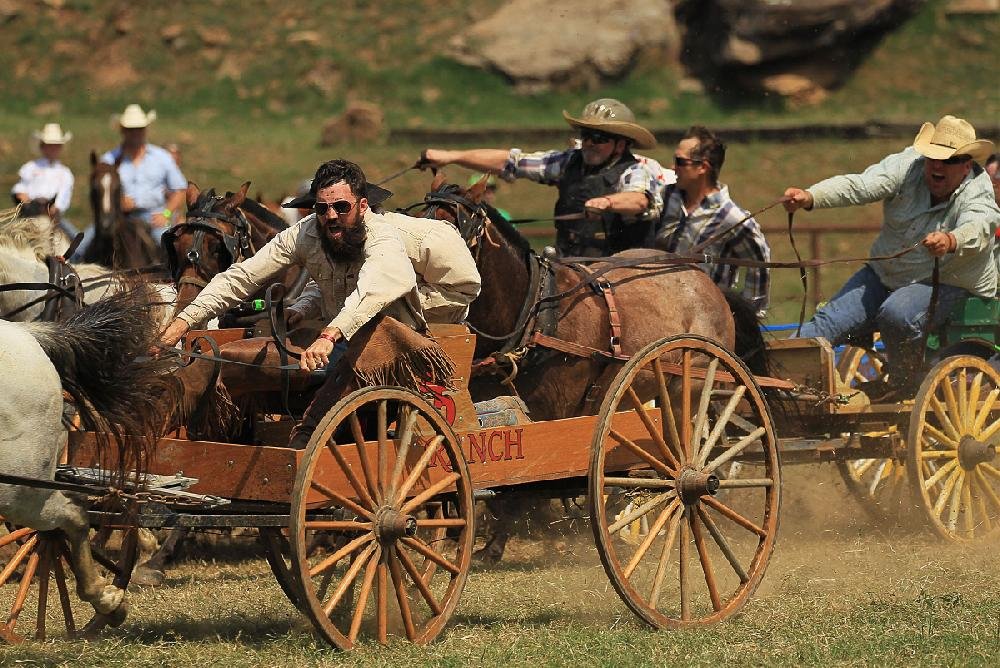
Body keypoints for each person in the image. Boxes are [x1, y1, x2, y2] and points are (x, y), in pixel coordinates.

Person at [157, 159, 480, 447]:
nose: (331, 216)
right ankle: (158, 427)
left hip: (419, 317)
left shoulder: (384, 238)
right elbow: (242, 277)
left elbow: (373, 289)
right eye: (322, 208)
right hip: (351, 321)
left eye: (341, 207)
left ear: (363, 205)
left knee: (373, 333)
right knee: (235, 354)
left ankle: (307, 437)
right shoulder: (306, 234)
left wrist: (329, 335)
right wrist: (182, 322)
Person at [783, 115, 999, 396]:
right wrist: (811, 196)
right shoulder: (907, 165)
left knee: (897, 313)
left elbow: (980, 226)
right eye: (933, 157)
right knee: (824, 326)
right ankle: (772, 389)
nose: (936, 165)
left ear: (966, 165)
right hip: (885, 277)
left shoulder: (978, 190)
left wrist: (950, 239)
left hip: (951, 283)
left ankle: (907, 384)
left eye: (947, 160)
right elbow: (860, 185)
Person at [420, 98, 670, 257]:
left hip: (621, 267)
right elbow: (510, 162)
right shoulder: (568, 162)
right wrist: (450, 156)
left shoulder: (637, 169)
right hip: (571, 262)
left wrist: (607, 203)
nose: (591, 143)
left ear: (621, 145)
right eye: (587, 134)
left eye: (601, 138)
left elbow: (638, 200)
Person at [654, 126, 770, 314]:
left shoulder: (732, 218)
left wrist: (749, 315)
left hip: (703, 316)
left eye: (680, 161)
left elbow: (759, 263)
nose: (672, 167)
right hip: (658, 305)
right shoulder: (666, 196)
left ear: (703, 167)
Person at [100, 104, 187, 245]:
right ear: (122, 130)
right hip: (119, 218)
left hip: (154, 218)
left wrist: (166, 214)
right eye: (130, 130)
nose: (135, 133)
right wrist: (118, 202)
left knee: (168, 245)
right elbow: (100, 191)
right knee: (83, 248)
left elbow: (180, 189)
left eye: (139, 129)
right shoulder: (109, 160)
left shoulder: (161, 157)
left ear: (145, 130)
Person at [10, 123, 79, 243]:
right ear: (42, 146)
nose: (53, 148)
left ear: (60, 147)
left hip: (53, 216)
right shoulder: (30, 167)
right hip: (30, 213)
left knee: (76, 244)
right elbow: (19, 188)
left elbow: (64, 197)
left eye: (56, 145)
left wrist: (55, 207)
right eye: (49, 145)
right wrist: (23, 197)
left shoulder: (65, 173)